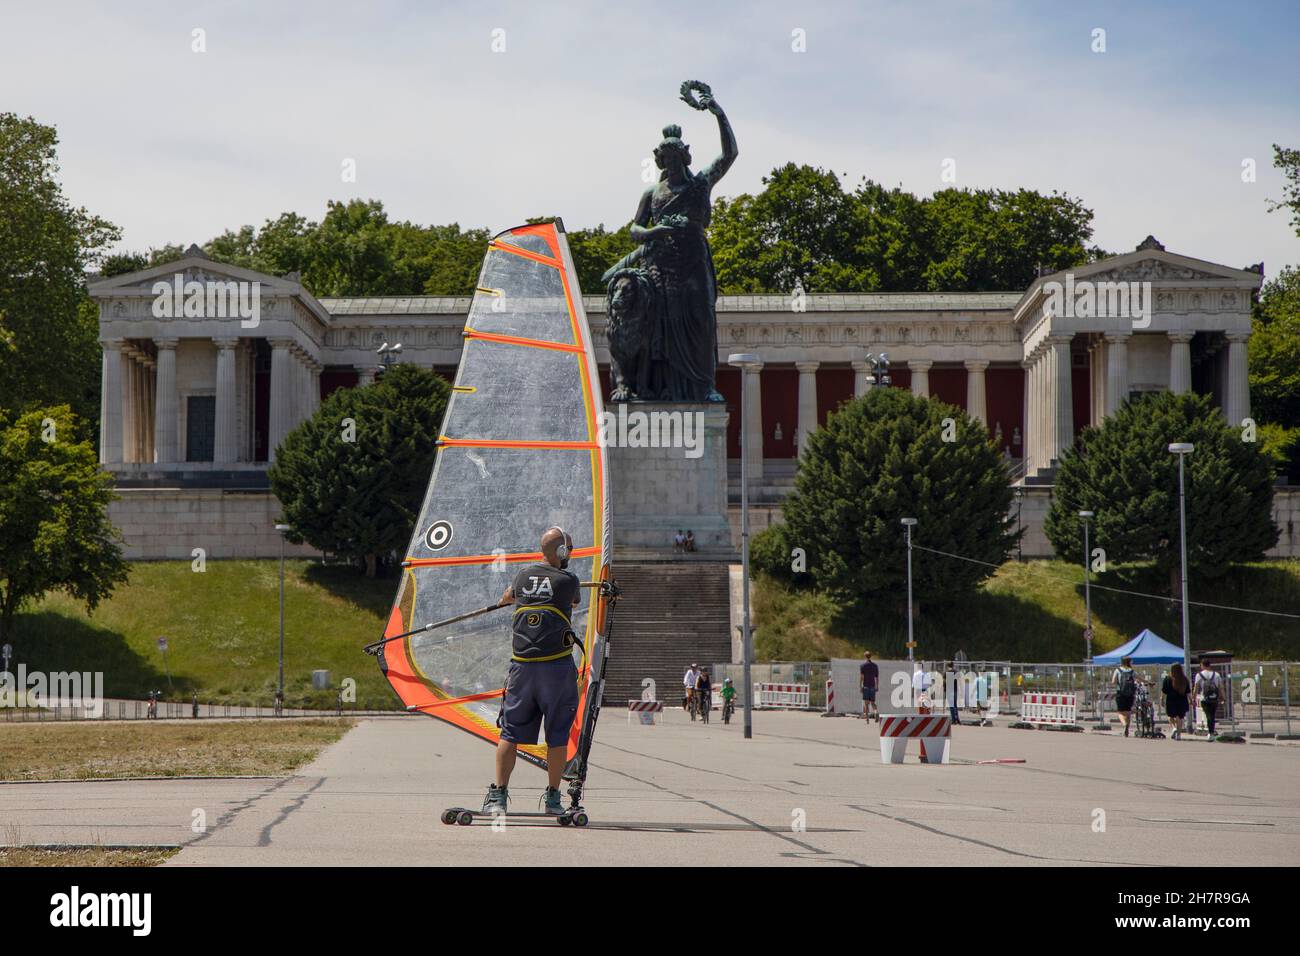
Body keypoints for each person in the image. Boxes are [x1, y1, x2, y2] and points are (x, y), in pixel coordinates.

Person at [482, 528, 583, 817]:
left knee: (510, 732)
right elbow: (574, 602)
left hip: (522, 668)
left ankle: (498, 795)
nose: (571, 555)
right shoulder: (569, 580)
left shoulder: (522, 575)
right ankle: (553, 798)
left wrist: (511, 598)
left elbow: (507, 597)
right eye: (571, 550)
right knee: (558, 735)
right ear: (562, 552)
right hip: (557, 669)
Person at [1161, 663, 1191, 739]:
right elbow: (1188, 691)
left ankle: (1174, 728)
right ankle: (1179, 735)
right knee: (1180, 718)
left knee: (1170, 716)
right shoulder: (1184, 679)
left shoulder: (1167, 679)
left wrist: (1162, 699)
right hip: (1182, 700)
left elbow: (1164, 691)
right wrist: (1191, 700)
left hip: (1171, 701)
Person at [1194, 659, 1222, 737]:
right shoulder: (1216, 675)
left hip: (1204, 698)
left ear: (1202, 665)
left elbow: (1196, 688)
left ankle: (1210, 732)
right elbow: (1220, 687)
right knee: (1212, 715)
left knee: (1208, 715)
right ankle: (1211, 732)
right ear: (1209, 665)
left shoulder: (1199, 675)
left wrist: (1193, 698)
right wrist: (1223, 697)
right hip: (1214, 698)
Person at [1112, 656, 1136, 737]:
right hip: (1130, 694)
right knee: (1128, 712)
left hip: (1120, 693)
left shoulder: (1118, 670)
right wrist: (1148, 682)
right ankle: (1127, 729)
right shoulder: (1132, 671)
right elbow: (1139, 678)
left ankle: (1124, 725)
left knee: (1120, 712)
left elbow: (1113, 681)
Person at [859, 651, 879, 721]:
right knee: (873, 703)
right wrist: (877, 686)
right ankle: (876, 712)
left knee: (866, 703)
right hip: (873, 686)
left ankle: (867, 719)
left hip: (866, 686)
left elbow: (862, 677)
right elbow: (876, 677)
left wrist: (860, 686)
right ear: (871, 656)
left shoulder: (863, 666)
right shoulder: (875, 666)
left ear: (865, 657)